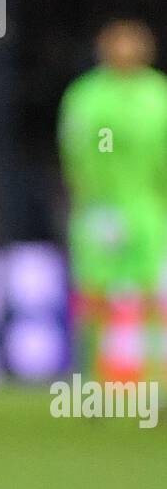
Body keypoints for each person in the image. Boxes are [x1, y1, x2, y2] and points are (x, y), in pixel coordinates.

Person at [57, 20, 167, 380]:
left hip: (149, 205)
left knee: (153, 293)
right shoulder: (86, 96)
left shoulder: (158, 94)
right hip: (99, 207)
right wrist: (87, 197)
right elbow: (75, 155)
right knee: (94, 293)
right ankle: (90, 375)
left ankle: (154, 375)